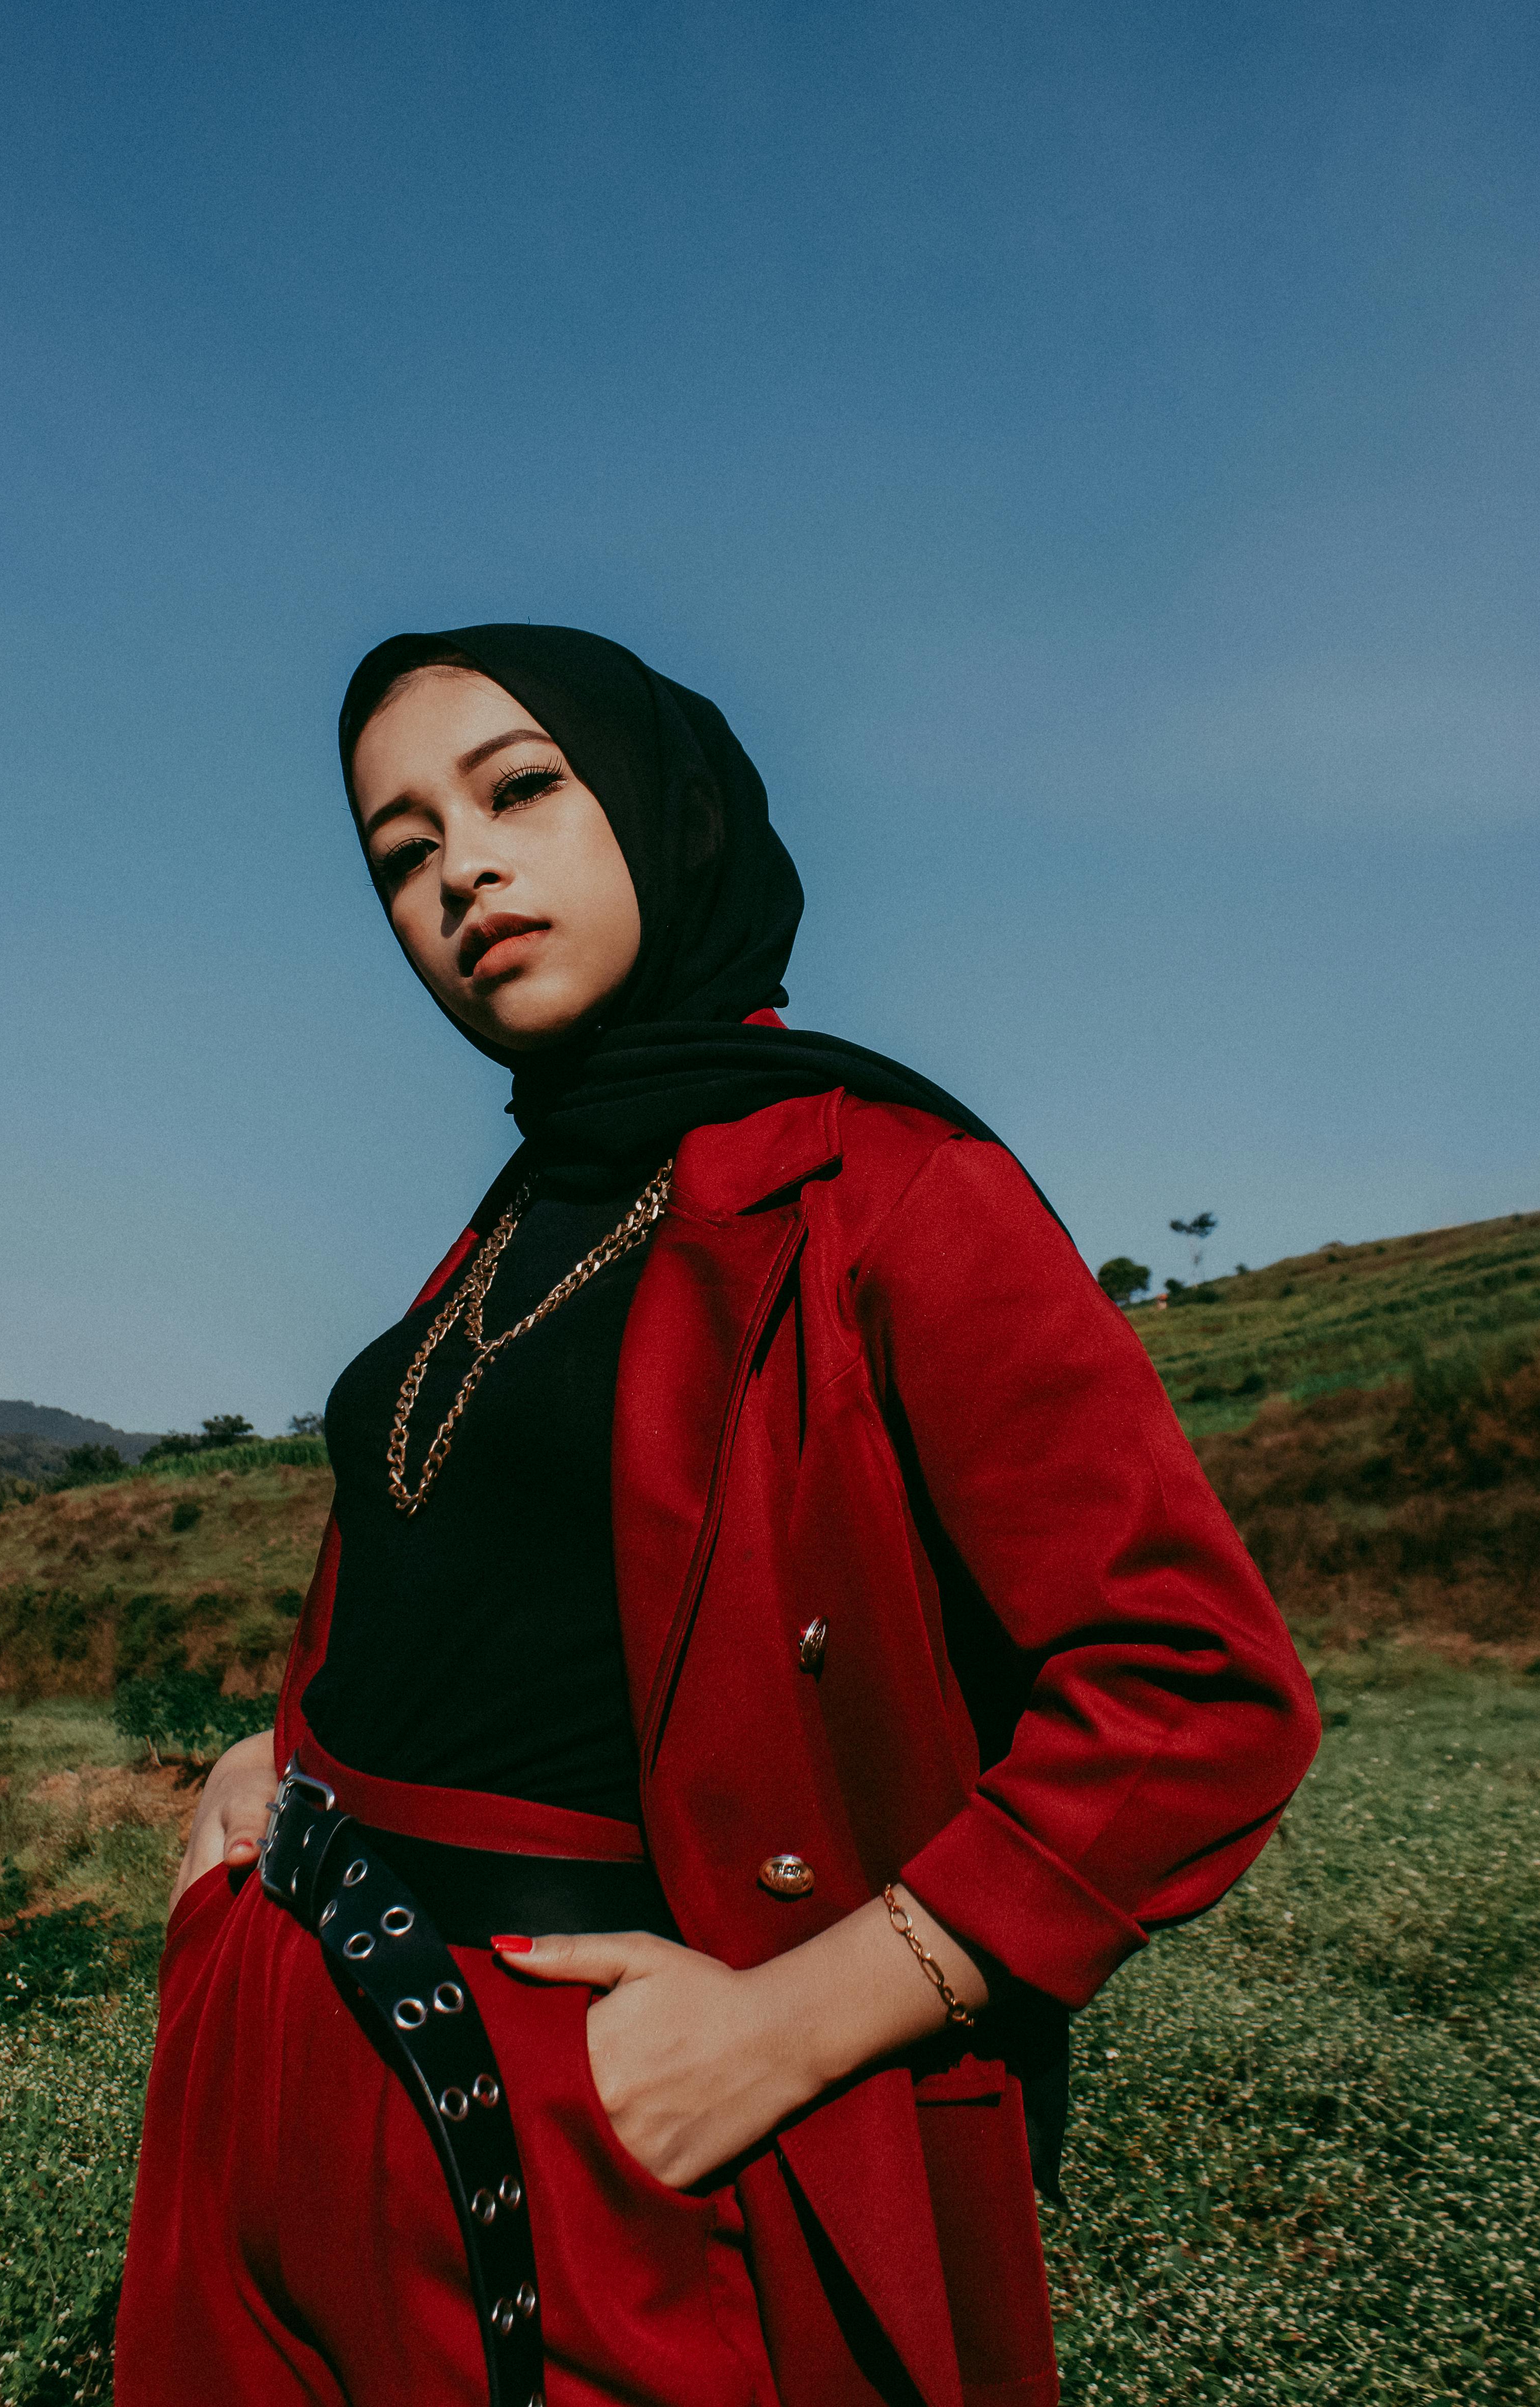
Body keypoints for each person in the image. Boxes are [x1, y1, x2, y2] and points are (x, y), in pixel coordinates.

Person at [115, 624, 1320, 2407]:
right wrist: (275, 1748)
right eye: (399, 851)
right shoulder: (528, 1206)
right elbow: (485, 1599)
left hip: (604, 2121)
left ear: (668, 813)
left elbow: (1196, 1697)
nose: (461, 867)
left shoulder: (892, 1187)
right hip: (289, 2034)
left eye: (518, 789)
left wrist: (791, 2024)